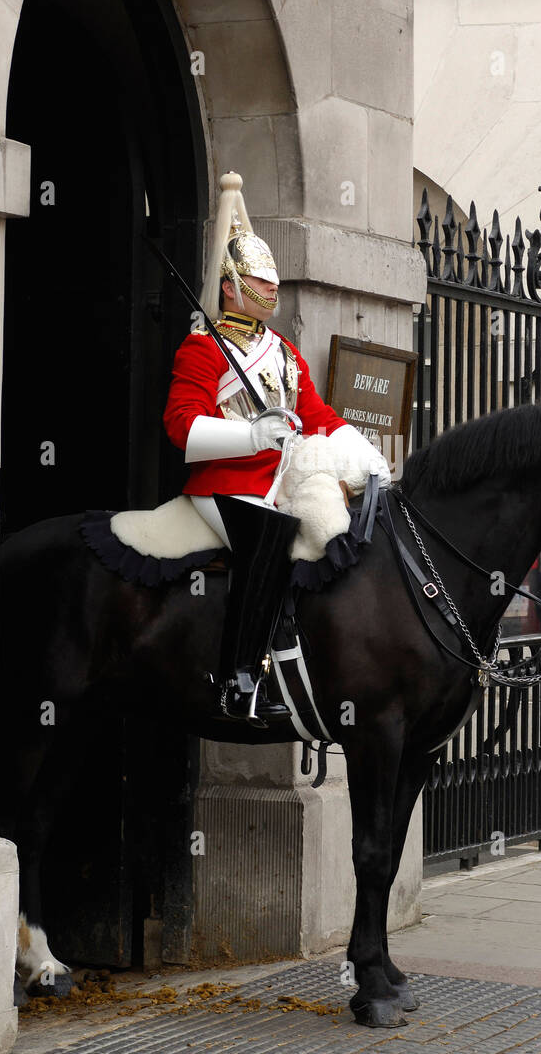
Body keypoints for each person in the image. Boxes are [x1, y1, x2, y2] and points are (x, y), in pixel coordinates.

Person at [163, 171, 392, 728]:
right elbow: (181, 429)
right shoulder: (202, 349)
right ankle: (237, 680)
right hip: (225, 485)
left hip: (282, 479)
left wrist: (369, 457)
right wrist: (249, 435)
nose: (270, 291)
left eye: (272, 282)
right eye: (257, 282)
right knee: (270, 535)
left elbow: (318, 415)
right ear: (229, 286)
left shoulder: (285, 351)